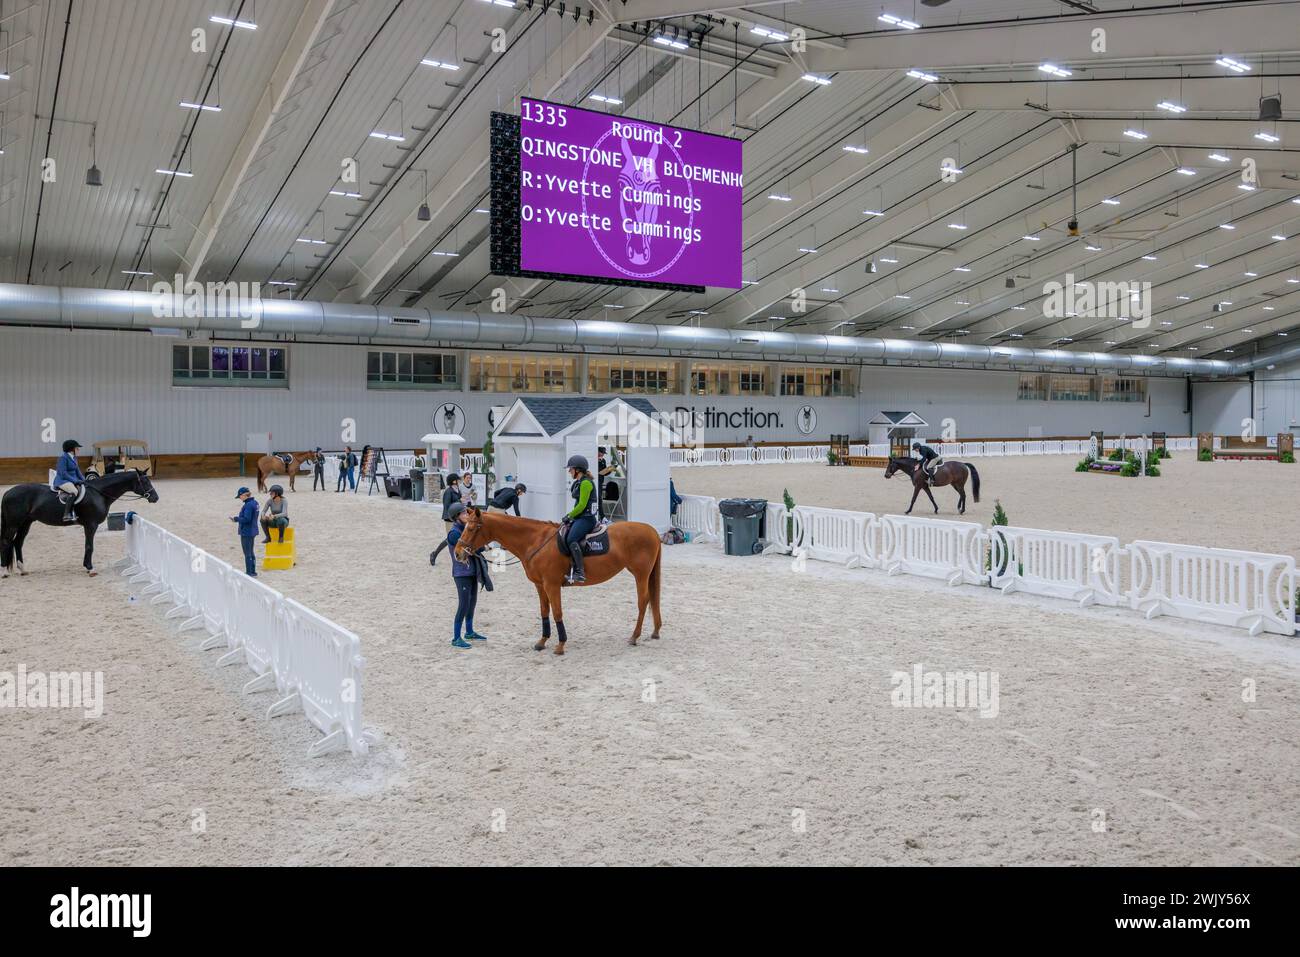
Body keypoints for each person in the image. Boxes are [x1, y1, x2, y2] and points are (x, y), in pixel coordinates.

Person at [444, 503, 487, 649]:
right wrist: (483, 546)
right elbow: (471, 547)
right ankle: (456, 638)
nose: (467, 515)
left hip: (472, 570)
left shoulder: (465, 529)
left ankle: (469, 631)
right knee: (463, 604)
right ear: (457, 517)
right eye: (464, 513)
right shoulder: (455, 533)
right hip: (461, 573)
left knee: (472, 602)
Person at [561, 454, 598, 584]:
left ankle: (580, 572)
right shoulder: (579, 482)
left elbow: (582, 505)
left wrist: (569, 515)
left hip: (587, 519)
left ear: (577, 470)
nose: (569, 471)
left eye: (570, 469)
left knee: (571, 539)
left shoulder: (586, 483)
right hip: (580, 517)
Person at [53, 439, 86, 523]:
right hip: (62, 481)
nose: (78, 450)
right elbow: (63, 473)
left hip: (72, 480)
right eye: (77, 448)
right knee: (74, 491)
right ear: (71, 449)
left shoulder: (74, 458)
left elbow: (77, 471)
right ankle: (67, 514)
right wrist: (75, 481)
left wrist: (84, 480)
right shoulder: (63, 458)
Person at [229, 487, 260, 577]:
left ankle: (249, 572)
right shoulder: (255, 503)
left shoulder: (248, 505)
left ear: (244, 495)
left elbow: (247, 519)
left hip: (247, 531)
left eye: (240, 496)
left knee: (247, 552)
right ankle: (253, 571)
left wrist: (236, 519)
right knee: (251, 551)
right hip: (253, 530)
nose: (240, 498)